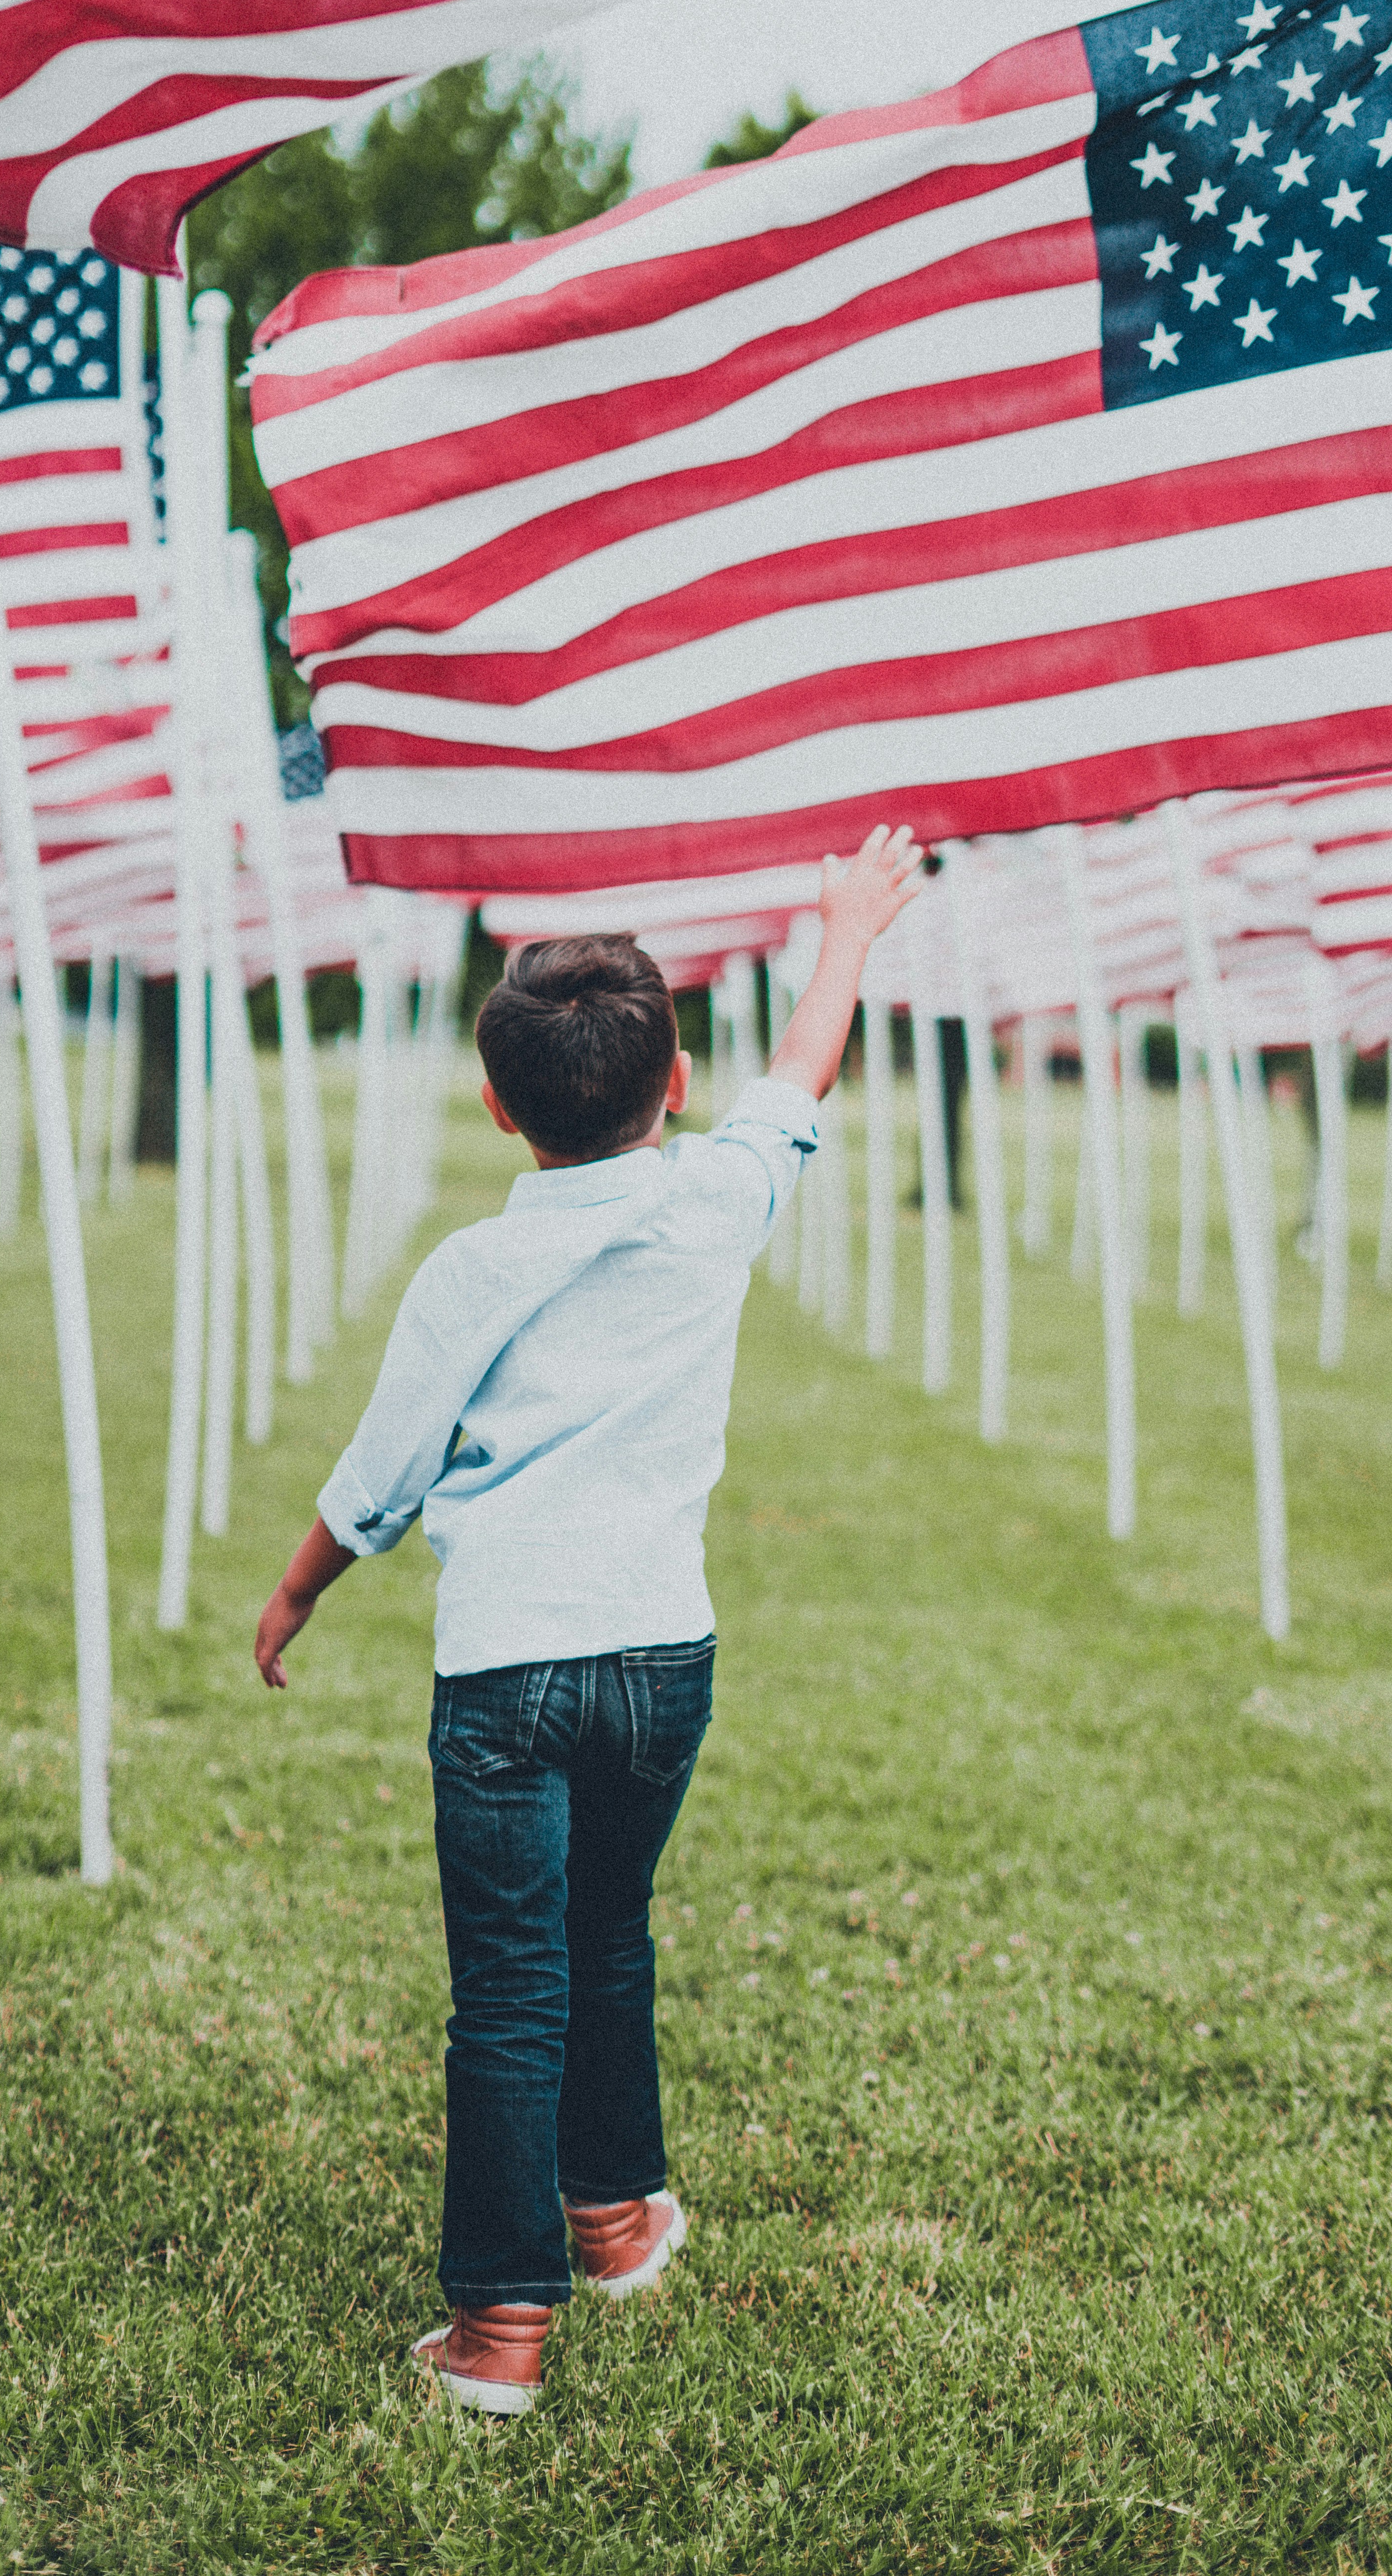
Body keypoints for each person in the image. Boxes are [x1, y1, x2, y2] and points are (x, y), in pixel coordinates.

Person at [255, 825, 925, 2416]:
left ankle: (500, 2331)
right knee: (606, 1935)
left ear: (497, 1107)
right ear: (676, 1083)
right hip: (661, 1665)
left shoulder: (470, 1271)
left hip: (506, 1673)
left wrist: (296, 1590)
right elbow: (806, 1072)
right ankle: (616, 2221)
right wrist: (847, 928)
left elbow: (383, 1475)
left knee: (510, 1993)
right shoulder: (717, 1208)